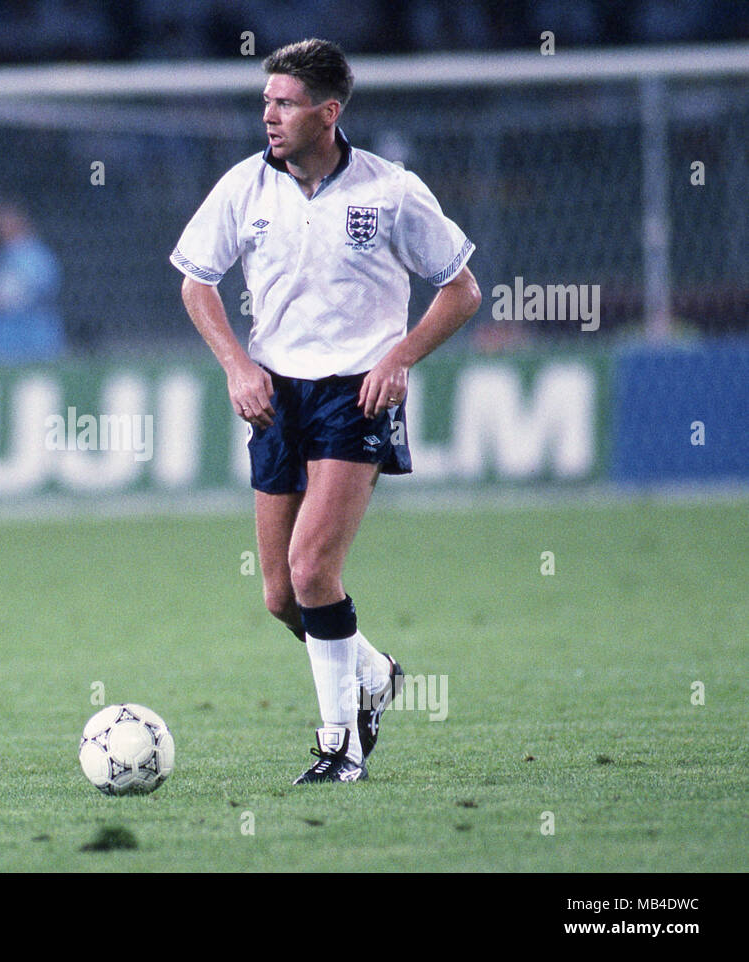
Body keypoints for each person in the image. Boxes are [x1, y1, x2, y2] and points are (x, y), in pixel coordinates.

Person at [171, 39, 481, 784]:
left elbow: (461, 289)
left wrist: (399, 357)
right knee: (283, 596)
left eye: (284, 103)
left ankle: (340, 748)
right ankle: (372, 672)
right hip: (276, 397)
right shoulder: (245, 187)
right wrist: (237, 365)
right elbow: (195, 282)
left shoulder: (391, 191)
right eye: (266, 101)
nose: (268, 116)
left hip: (355, 394)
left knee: (314, 570)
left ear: (327, 112)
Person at [0, 201, 64, 363]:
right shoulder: (0, 254)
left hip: (33, 343)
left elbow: (18, 296)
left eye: (5, 220)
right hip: (1, 343)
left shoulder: (35, 256)